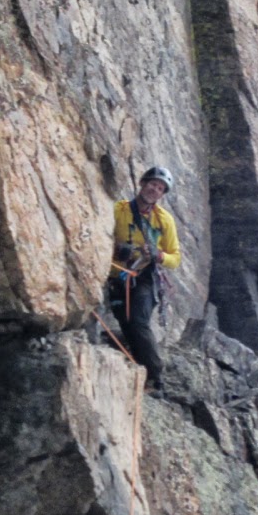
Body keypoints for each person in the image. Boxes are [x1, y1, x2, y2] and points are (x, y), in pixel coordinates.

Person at [108, 166, 181, 390]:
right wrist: (118, 249)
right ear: (142, 183)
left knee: (138, 321)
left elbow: (175, 258)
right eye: (152, 184)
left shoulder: (164, 221)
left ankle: (156, 377)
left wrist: (158, 255)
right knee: (126, 323)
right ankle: (139, 366)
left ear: (162, 195)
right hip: (116, 275)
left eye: (160, 188)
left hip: (144, 276)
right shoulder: (120, 210)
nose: (155, 190)